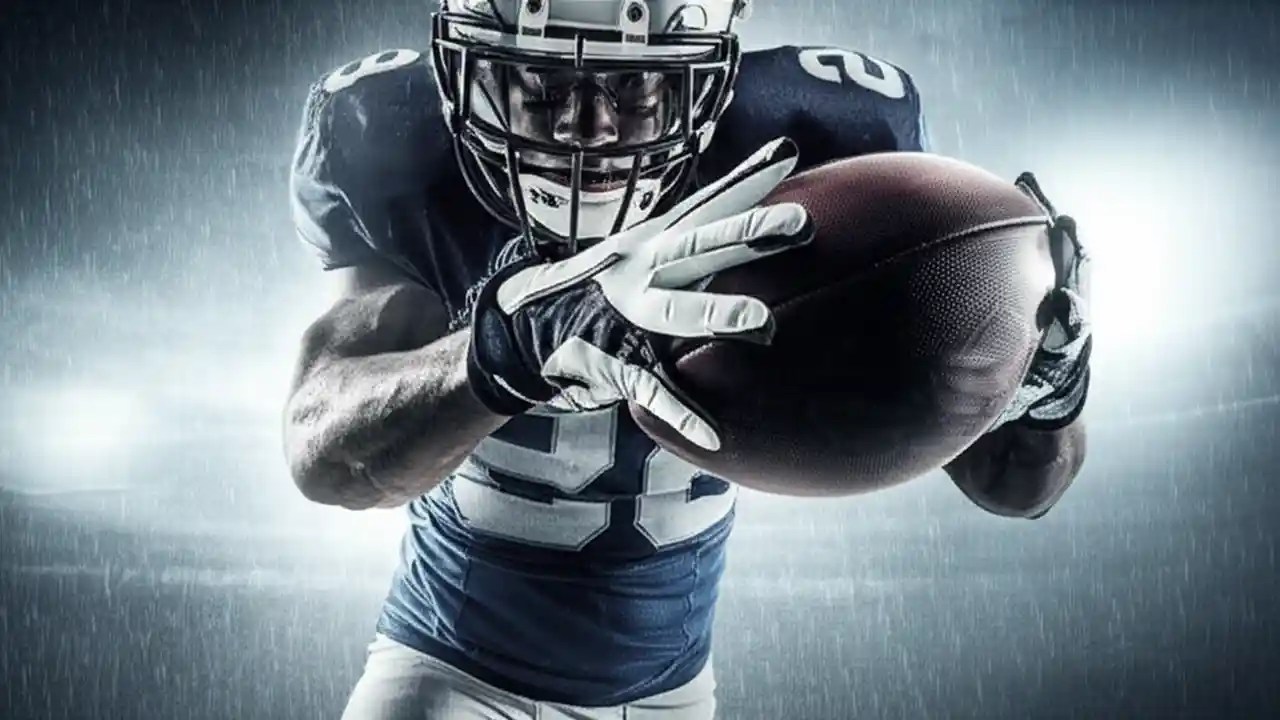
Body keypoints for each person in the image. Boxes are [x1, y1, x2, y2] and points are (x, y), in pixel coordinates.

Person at [284, 1, 1092, 717]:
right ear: (470, 74)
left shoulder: (807, 148)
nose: (586, 130)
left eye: (634, 90)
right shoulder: (404, 151)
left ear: (710, 84)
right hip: (446, 675)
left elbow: (1014, 485)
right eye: (541, 85)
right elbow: (323, 453)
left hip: (674, 694)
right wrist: (512, 342)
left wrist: (1049, 391)